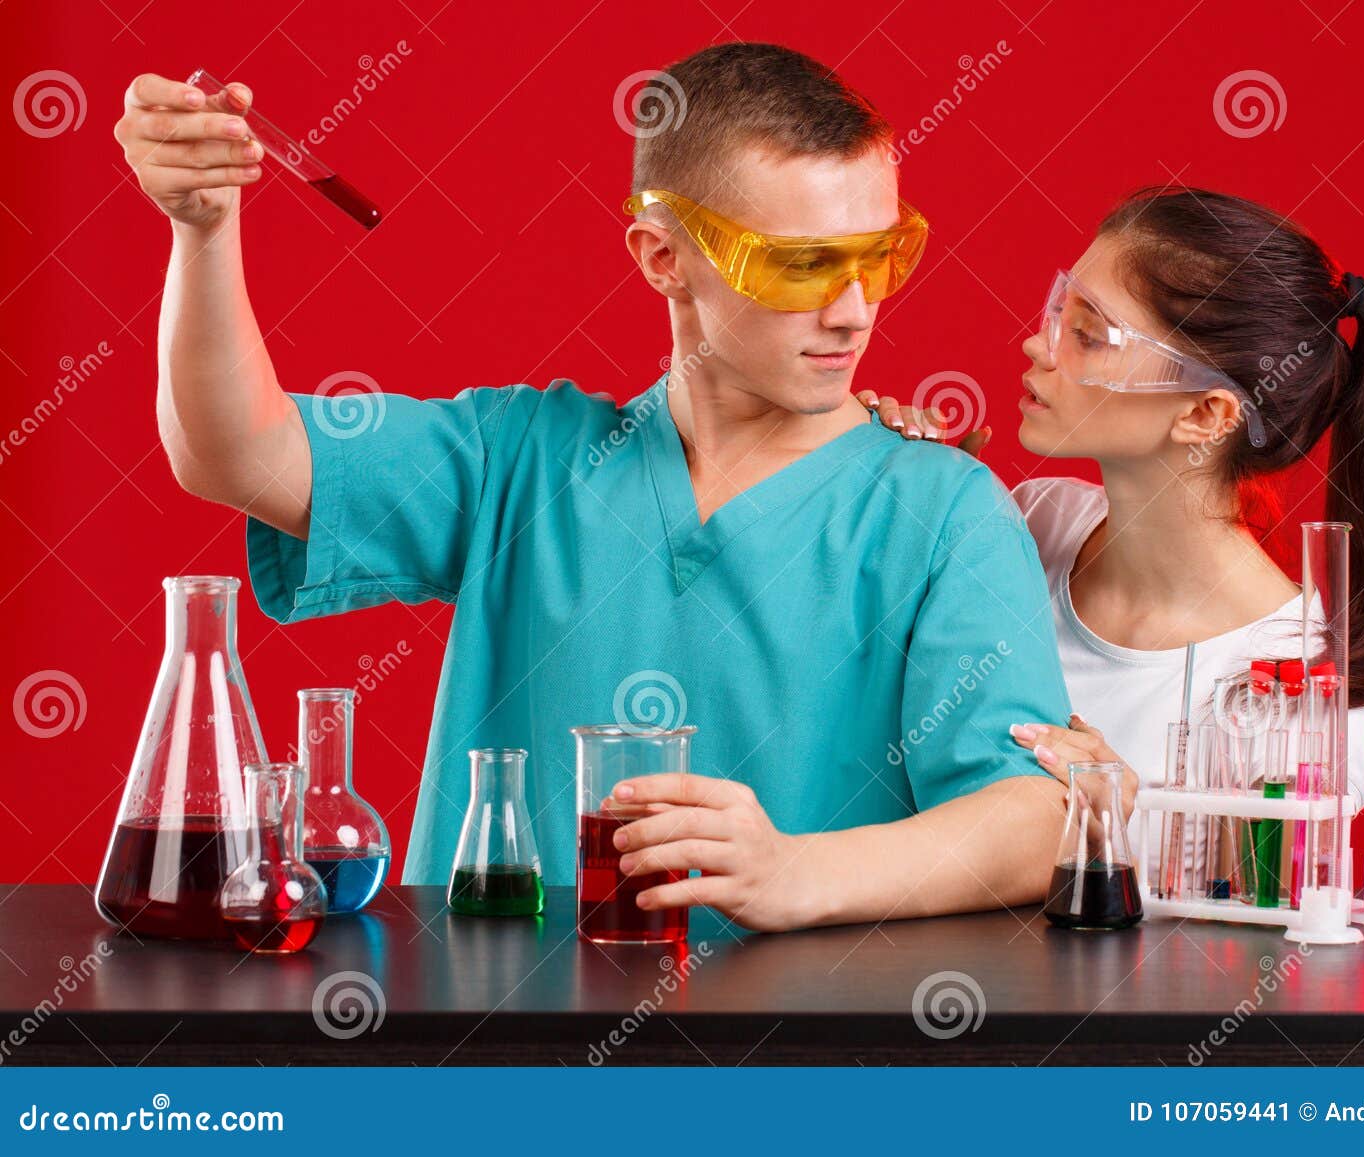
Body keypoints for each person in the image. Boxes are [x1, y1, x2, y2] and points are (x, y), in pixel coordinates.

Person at [114, 43, 1074, 932]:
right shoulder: (521, 458)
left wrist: (794, 872)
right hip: (491, 1054)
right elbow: (231, 452)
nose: (853, 310)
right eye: (800, 267)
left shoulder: (945, 511)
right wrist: (203, 232)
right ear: (663, 258)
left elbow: (1033, 816)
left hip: (785, 1066)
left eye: (879, 255)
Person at [862, 186, 1364, 856]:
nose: (1037, 345)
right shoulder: (1032, 521)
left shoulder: (1302, 693)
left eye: (1087, 334)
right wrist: (912, 508)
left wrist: (1122, 836)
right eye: (1060, 311)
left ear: (1205, 414)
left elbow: (1265, 947)